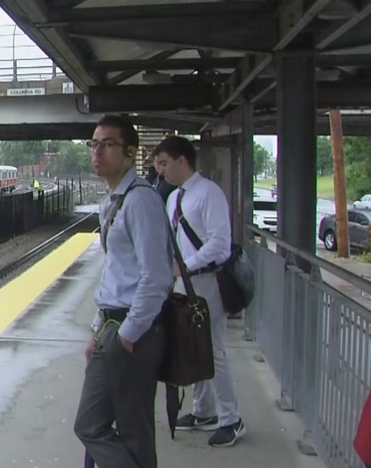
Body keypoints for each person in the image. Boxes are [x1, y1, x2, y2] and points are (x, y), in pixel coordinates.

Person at [73, 115, 173, 468]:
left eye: (107, 144)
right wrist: (96, 330)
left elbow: (156, 275)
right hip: (113, 327)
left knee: (123, 428)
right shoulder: (118, 199)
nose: (97, 151)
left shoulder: (141, 201)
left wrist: (128, 334)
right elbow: (117, 273)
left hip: (133, 331)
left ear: (130, 153)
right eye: (94, 144)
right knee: (104, 426)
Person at [153, 135, 246, 447]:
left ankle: (231, 418)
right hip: (185, 282)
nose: (160, 170)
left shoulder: (209, 193)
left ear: (182, 160)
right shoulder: (175, 197)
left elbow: (220, 243)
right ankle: (203, 411)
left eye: (164, 163)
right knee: (195, 346)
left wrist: (186, 266)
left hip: (207, 281)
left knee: (214, 350)